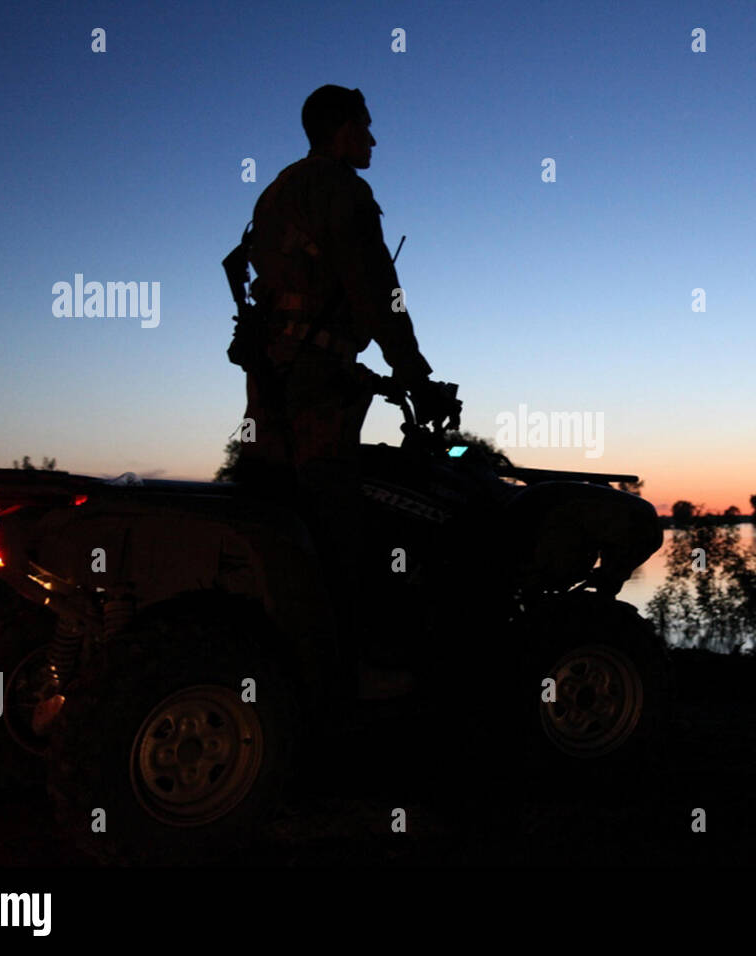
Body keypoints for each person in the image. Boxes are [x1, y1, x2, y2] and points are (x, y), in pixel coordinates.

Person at [239, 85, 457, 697]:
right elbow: (376, 290)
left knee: (282, 511)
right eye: (364, 127)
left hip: (272, 374)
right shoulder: (342, 189)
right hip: (315, 377)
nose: (373, 139)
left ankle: (271, 661)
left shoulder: (277, 189)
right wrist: (415, 373)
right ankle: (349, 673)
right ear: (339, 131)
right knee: (337, 517)